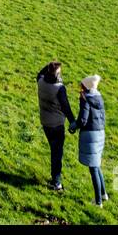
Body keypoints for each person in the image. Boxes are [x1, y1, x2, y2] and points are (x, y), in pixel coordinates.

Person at [36, 60, 76, 190]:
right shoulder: (59, 89)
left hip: (45, 122)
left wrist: (50, 65)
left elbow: (40, 73)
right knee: (57, 153)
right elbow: (66, 107)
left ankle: (55, 178)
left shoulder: (41, 81)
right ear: (57, 75)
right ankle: (56, 182)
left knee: (54, 150)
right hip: (57, 125)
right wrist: (73, 122)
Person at [70, 74, 107, 206]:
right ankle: (103, 195)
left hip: (91, 135)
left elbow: (83, 120)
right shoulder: (99, 97)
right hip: (100, 133)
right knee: (97, 166)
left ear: (85, 87)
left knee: (93, 169)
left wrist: (73, 125)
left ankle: (98, 202)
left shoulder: (85, 99)